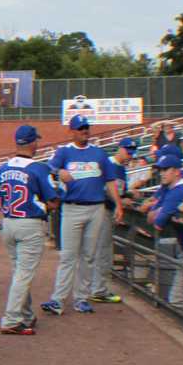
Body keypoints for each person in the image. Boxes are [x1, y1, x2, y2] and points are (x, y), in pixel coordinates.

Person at [40, 115, 124, 317]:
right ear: (72, 131)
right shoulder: (64, 152)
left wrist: (119, 205)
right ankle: (58, 300)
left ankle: (81, 299)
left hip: (96, 208)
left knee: (88, 256)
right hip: (71, 208)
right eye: (80, 128)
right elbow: (49, 168)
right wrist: (59, 171)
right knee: (68, 256)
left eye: (86, 127)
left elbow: (111, 180)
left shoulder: (99, 153)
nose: (84, 131)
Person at [0, 126, 60, 335]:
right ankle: (12, 319)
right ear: (32, 143)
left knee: (20, 272)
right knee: (23, 274)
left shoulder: (2, 168)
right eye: (36, 141)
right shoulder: (39, 168)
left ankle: (27, 315)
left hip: (8, 223)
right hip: (29, 225)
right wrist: (45, 205)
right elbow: (54, 201)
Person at [87, 138, 139, 304]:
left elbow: (119, 191)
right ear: (119, 148)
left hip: (108, 211)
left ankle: (96, 288)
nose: (129, 155)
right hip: (101, 211)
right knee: (102, 252)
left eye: (131, 153)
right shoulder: (108, 164)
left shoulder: (121, 169)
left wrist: (128, 195)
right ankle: (98, 290)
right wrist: (120, 201)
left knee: (102, 251)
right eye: (127, 151)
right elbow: (101, 191)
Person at [150, 155, 183, 317]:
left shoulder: (180, 189)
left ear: (176, 171)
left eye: (165, 170)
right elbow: (151, 217)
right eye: (160, 170)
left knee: (177, 300)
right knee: (178, 300)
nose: (161, 173)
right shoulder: (171, 189)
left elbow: (158, 222)